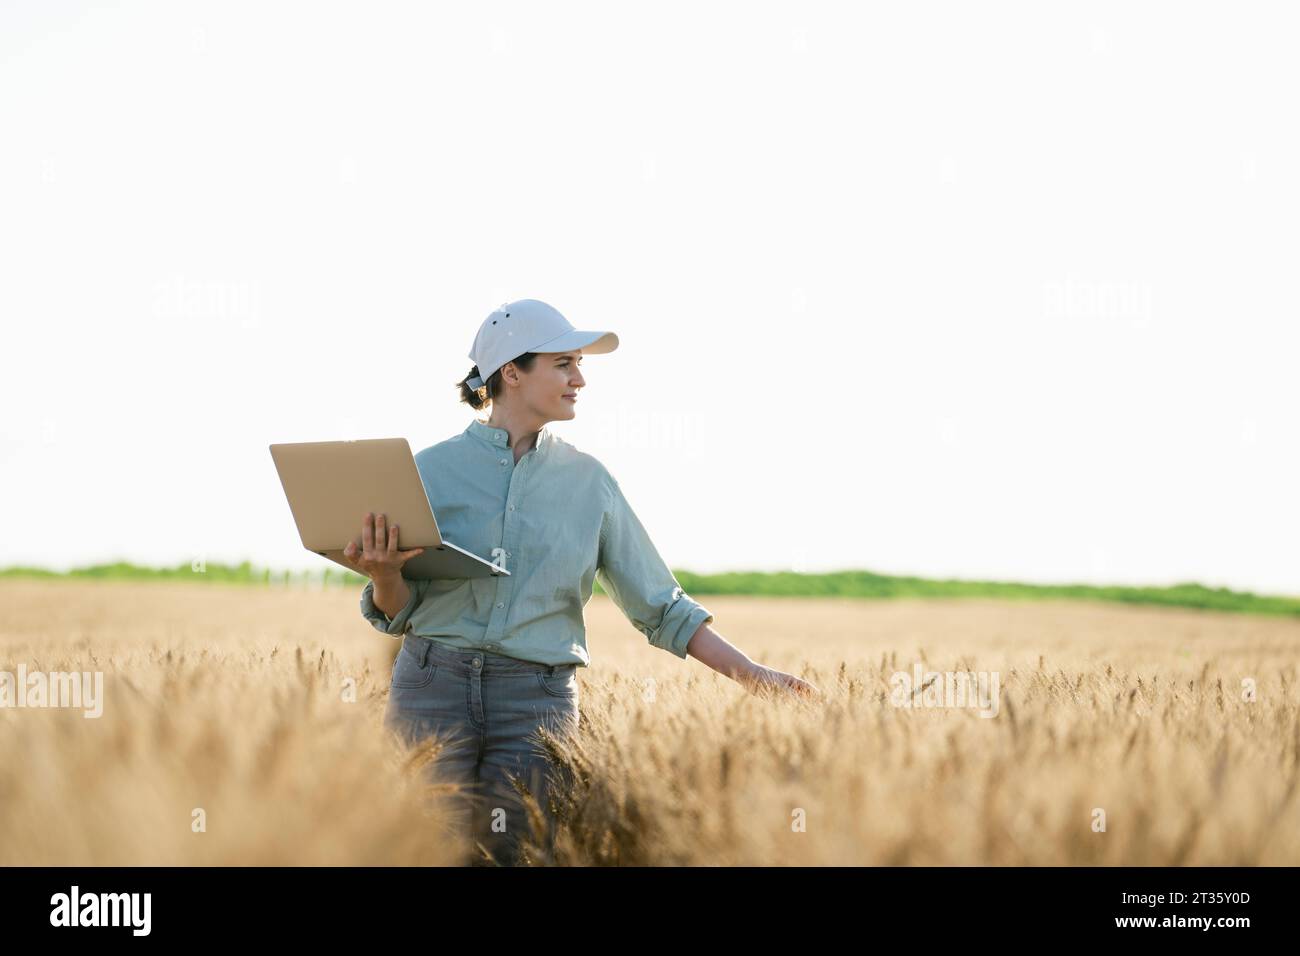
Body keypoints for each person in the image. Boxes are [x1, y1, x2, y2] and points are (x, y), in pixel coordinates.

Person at [342, 298, 820, 865]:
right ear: (511, 372)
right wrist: (384, 575)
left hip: (533, 702)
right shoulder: (426, 471)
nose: (581, 379)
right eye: (564, 363)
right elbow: (397, 609)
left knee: (515, 854)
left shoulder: (590, 483)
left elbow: (662, 607)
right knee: (419, 850)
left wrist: (754, 675)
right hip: (430, 687)